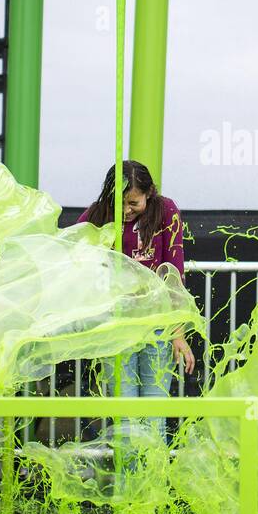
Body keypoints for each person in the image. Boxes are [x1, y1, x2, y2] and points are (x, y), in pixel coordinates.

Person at [78, 161, 195, 433]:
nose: (125, 210)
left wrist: (177, 331)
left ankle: (153, 477)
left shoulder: (166, 211)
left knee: (154, 416)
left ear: (149, 193)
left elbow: (173, 273)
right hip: (116, 324)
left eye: (133, 203)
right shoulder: (97, 215)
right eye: (118, 202)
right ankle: (127, 477)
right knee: (126, 418)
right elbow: (75, 257)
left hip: (157, 324)